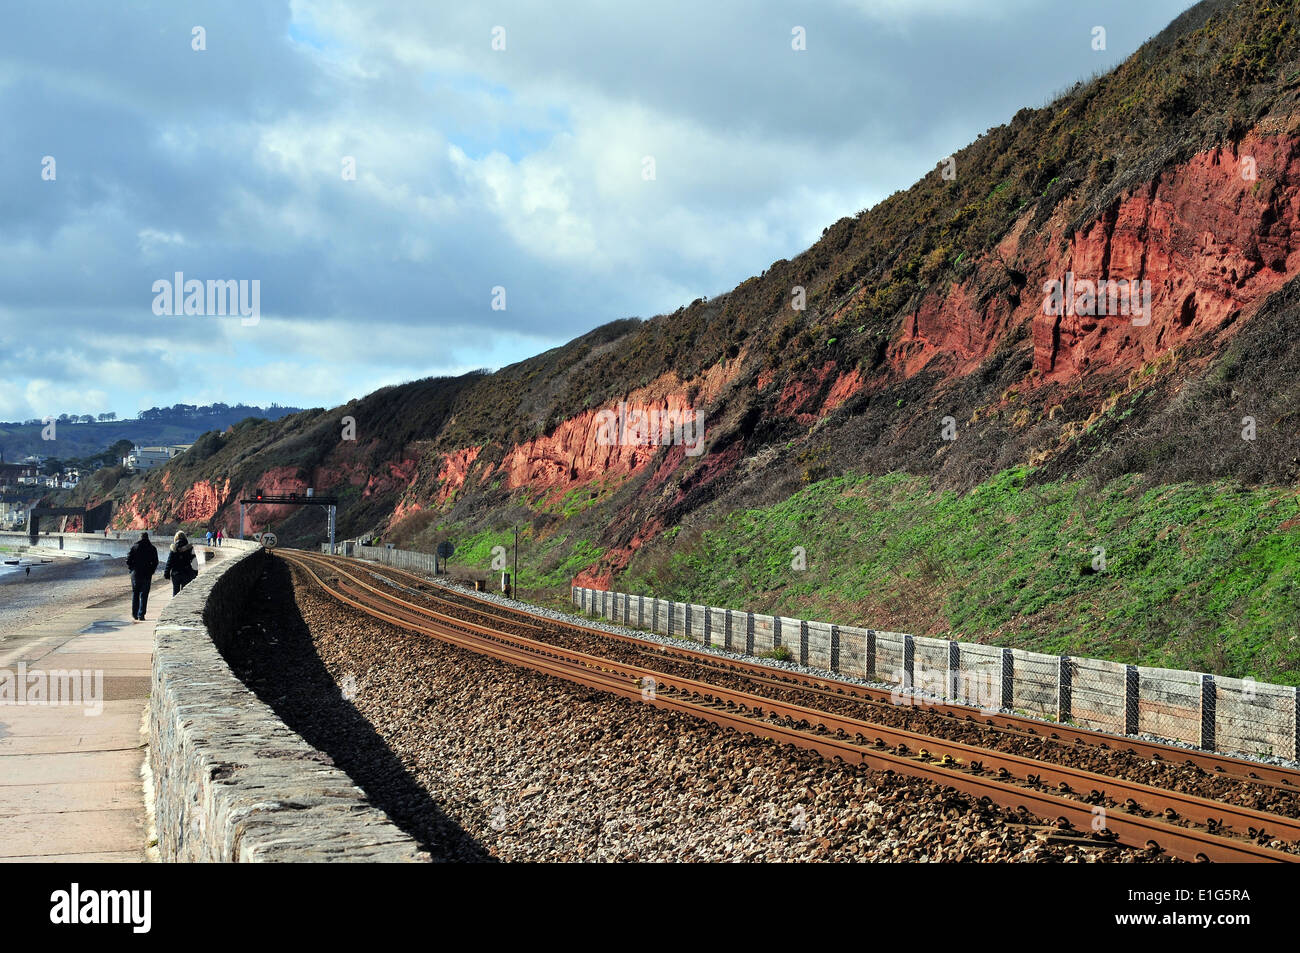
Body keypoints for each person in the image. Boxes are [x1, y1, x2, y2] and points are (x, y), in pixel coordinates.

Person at [126, 532, 159, 621]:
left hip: (136, 574)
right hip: (147, 574)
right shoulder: (152, 548)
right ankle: (141, 614)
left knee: (135, 593)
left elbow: (128, 560)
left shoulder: (134, 547)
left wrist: (131, 569)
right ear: (148, 538)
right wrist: (152, 570)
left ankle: (134, 614)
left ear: (140, 538)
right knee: (144, 595)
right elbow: (155, 562)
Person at [164, 531, 198, 596]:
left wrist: (166, 573)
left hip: (175, 573)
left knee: (175, 592)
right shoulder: (190, 547)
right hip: (186, 572)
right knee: (184, 593)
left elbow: (169, 562)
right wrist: (195, 573)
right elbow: (194, 561)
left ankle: (174, 605)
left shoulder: (173, 548)